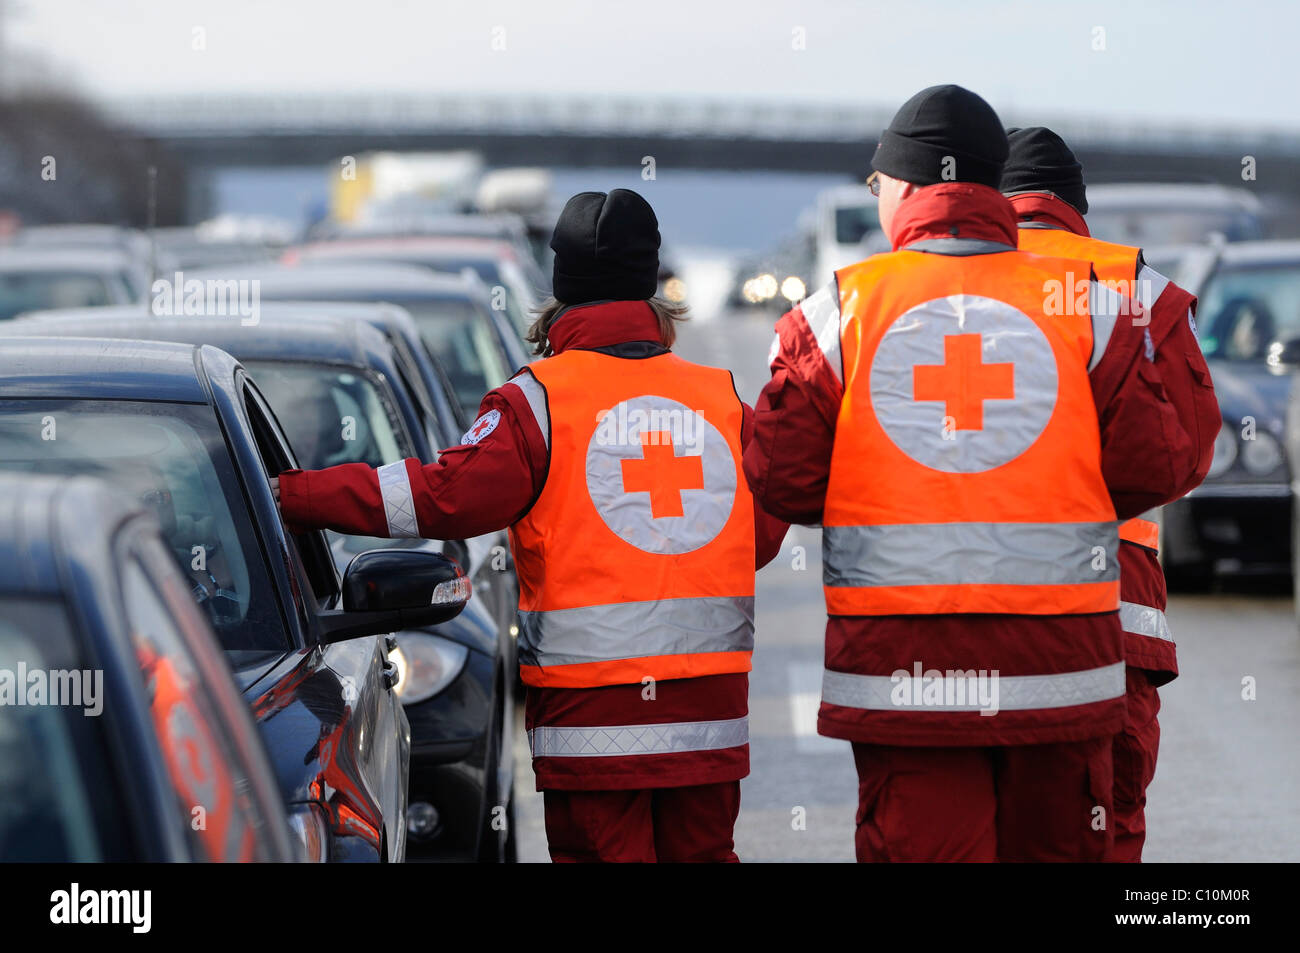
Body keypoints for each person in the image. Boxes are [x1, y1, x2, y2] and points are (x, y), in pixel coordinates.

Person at [743, 84, 1199, 862]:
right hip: (1063, 674)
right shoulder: (1089, 302)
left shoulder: (842, 311)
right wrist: (1059, 484)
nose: (878, 198)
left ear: (913, 187)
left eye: (879, 183)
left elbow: (781, 476)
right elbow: (1158, 462)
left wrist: (876, 482)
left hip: (904, 678)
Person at [274, 188, 788, 862]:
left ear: (562, 288)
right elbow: (765, 528)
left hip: (593, 723)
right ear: (653, 286)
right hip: (707, 718)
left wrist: (294, 494)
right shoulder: (720, 398)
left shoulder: (537, 403)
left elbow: (439, 498)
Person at [1000, 126, 1219, 861]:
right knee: (1102, 819)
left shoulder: (933, 286)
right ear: (1077, 205)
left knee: (968, 819)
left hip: (956, 605)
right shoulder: (1137, 287)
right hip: (1112, 604)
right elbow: (1185, 455)